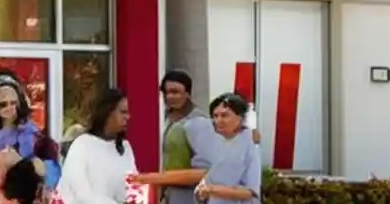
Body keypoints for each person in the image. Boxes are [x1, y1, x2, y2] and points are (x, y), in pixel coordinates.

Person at [131, 70, 216, 203]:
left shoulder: (198, 123)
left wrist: (155, 178)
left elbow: (206, 172)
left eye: (175, 92)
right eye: (166, 92)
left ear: (187, 94)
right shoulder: (170, 120)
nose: (170, 96)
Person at [57, 87, 137, 204]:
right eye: (123, 112)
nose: (128, 117)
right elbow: (80, 193)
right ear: (107, 112)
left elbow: (132, 189)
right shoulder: (82, 145)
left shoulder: (125, 148)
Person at [193, 93, 262, 203]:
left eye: (224, 115)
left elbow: (250, 191)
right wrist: (201, 191)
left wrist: (213, 190)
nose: (219, 120)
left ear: (239, 117)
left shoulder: (250, 142)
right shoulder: (215, 141)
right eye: (215, 116)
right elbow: (208, 178)